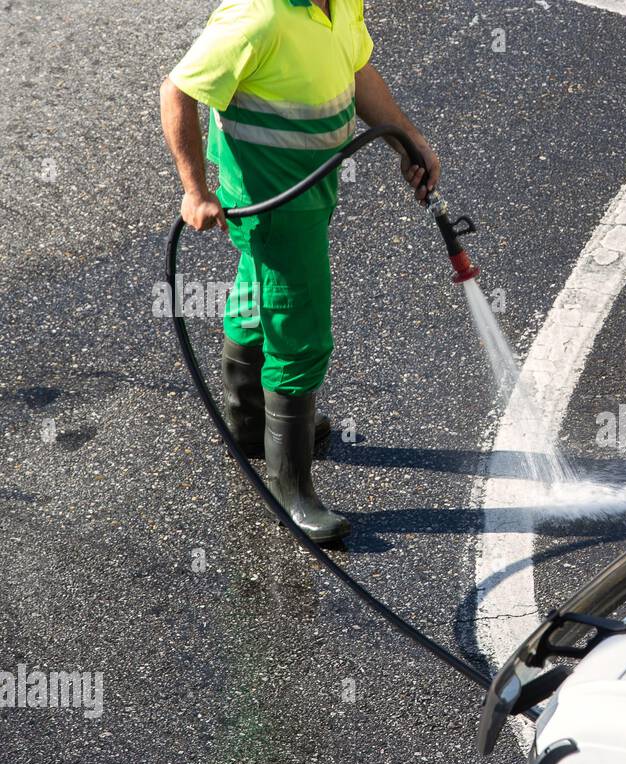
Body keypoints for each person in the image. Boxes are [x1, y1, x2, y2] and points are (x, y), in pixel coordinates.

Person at [161, 0, 437, 543]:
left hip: (307, 191)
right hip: (274, 204)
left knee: (255, 294)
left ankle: (250, 427)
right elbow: (178, 89)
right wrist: (195, 191)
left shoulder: (339, 3)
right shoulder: (258, 16)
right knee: (300, 336)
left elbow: (357, 71)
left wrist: (407, 138)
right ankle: (293, 490)